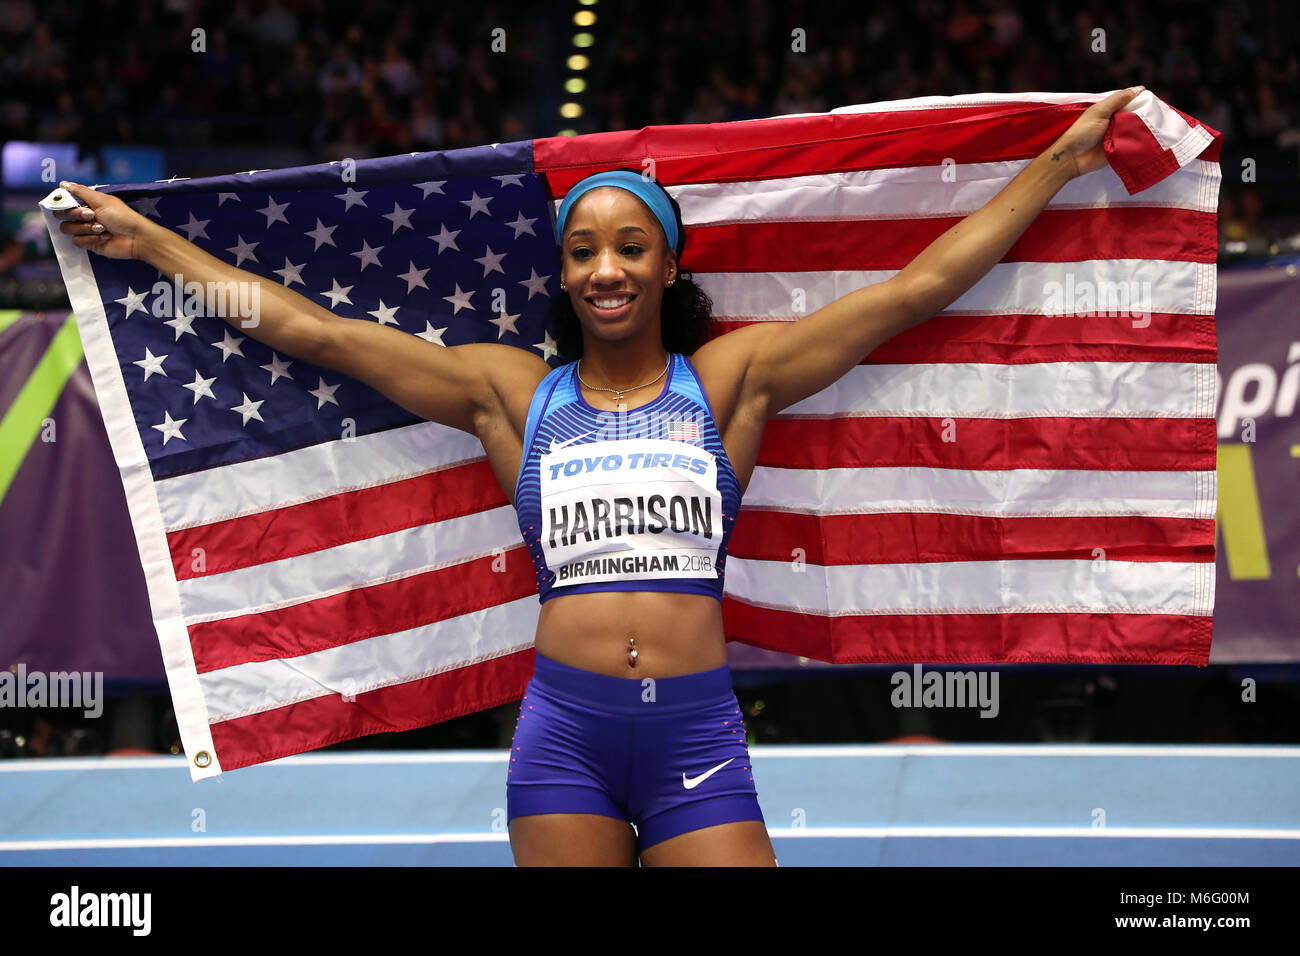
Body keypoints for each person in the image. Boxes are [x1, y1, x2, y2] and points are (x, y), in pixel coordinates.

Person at [54, 85, 1145, 866]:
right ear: (564, 273)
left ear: (668, 264)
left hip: (696, 733)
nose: (604, 267)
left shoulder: (731, 379)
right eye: (582, 249)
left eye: (629, 246)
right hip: (564, 733)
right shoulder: (512, 394)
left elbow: (917, 287)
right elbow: (317, 332)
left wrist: (1061, 159)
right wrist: (150, 242)